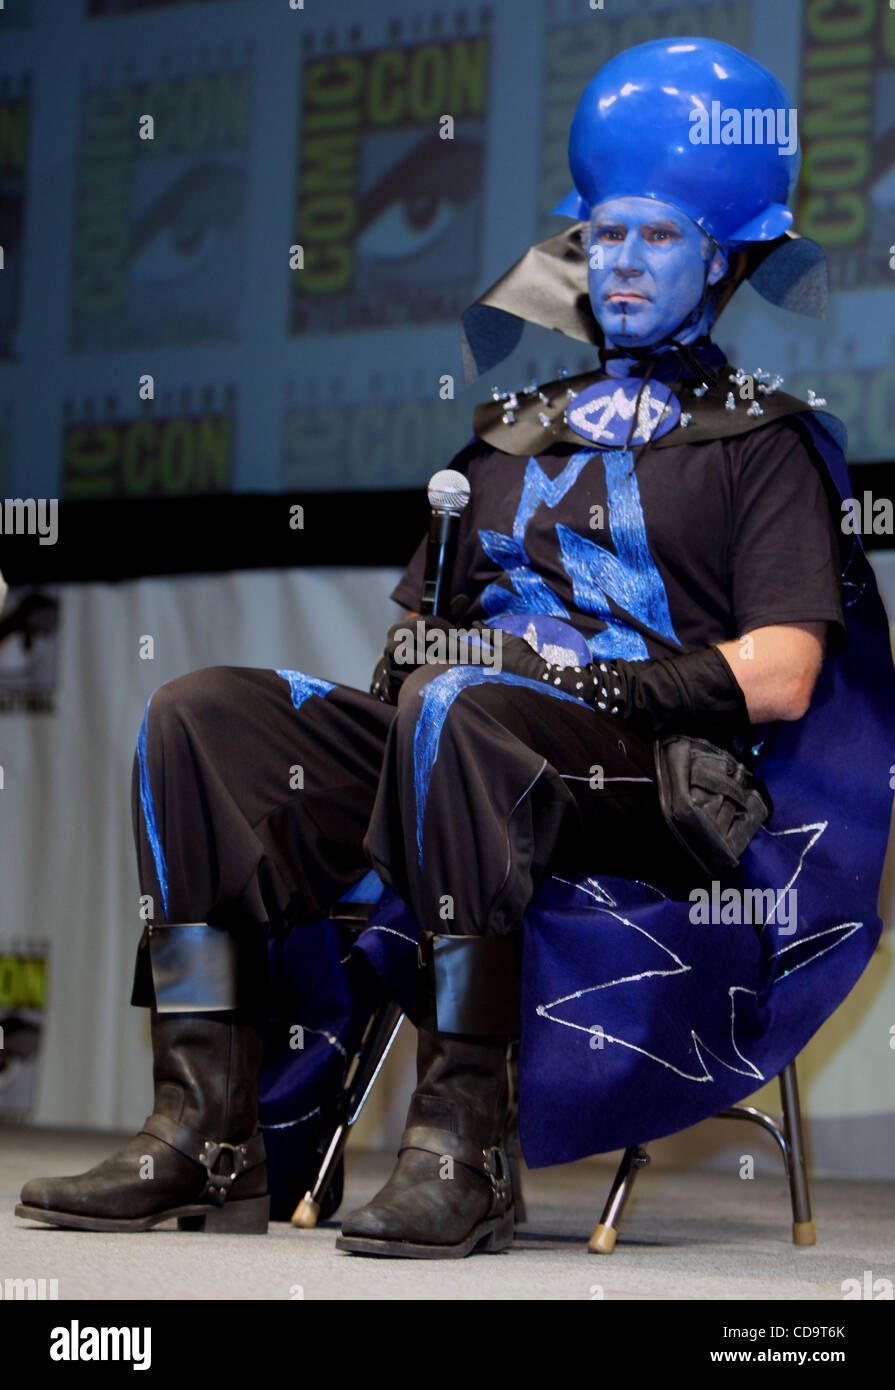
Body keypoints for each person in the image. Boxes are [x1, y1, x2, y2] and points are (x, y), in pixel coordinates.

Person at [15, 38, 894, 1260]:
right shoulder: (508, 439)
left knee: (464, 708)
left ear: (724, 255)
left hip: (652, 785)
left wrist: (581, 679)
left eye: (658, 236)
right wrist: (442, 669)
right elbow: (420, 647)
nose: (623, 261)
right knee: (204, 713)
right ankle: (203, 1128)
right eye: (605, 234)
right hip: (467, 744)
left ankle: (464, 1148)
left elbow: (787, 670)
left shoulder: (766, 442)